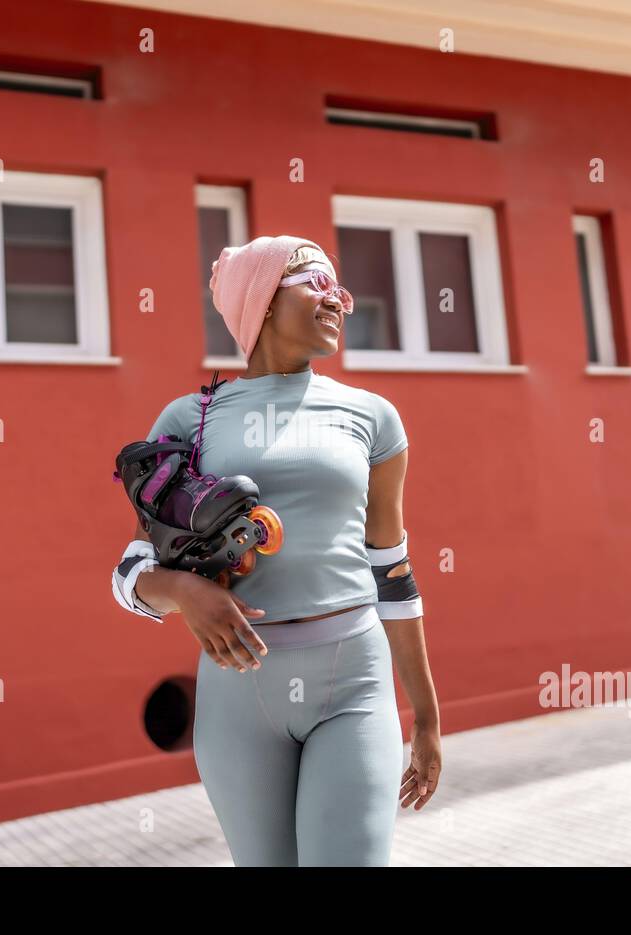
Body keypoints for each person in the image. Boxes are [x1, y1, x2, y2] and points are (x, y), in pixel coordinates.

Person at [112, 234, 442, 866]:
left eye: (339, 288)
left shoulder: (372, 417)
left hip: (354, 681)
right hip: (239, 696)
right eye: (314, 281)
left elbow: (392, 570)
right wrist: (183, 592)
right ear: (261, 301)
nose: (336, 298)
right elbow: (130, 571)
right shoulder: (189, 421)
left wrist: (426, 716)